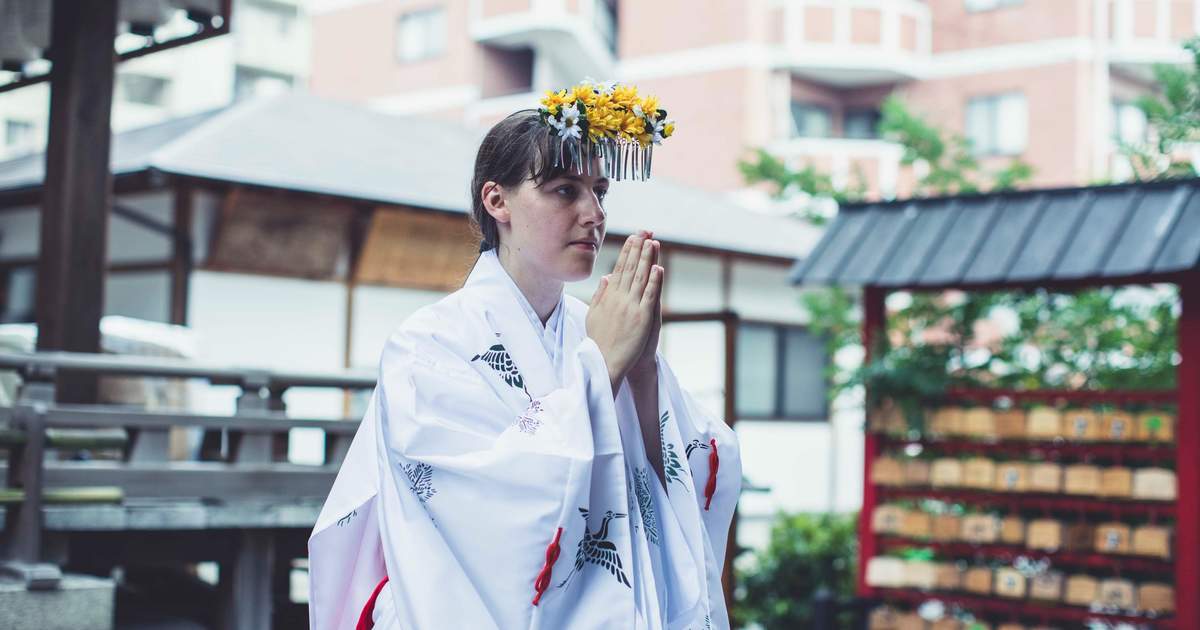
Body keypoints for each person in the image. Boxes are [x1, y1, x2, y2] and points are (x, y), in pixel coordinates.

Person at [309, 81, 741, 630]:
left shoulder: (597, 326)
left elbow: (699, 460)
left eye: (600, 191)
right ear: (497, 201)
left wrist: (643, 371)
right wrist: (602, 368)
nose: (593, 213)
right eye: (564, 190)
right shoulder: (428, 344)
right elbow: (478, 509)